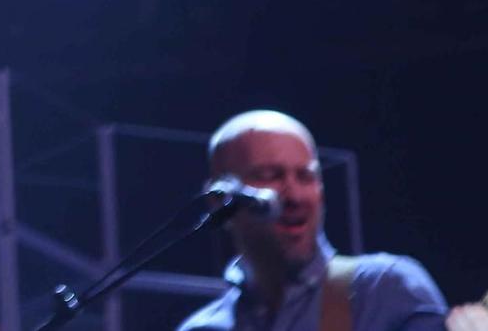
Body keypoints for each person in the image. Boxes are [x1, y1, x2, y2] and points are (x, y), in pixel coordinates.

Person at [177, 111, 447, 331]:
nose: (294, 196)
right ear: (218, 199)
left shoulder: (384, 291)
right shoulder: (203, 328)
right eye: (269, 176)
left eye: (306, 177)